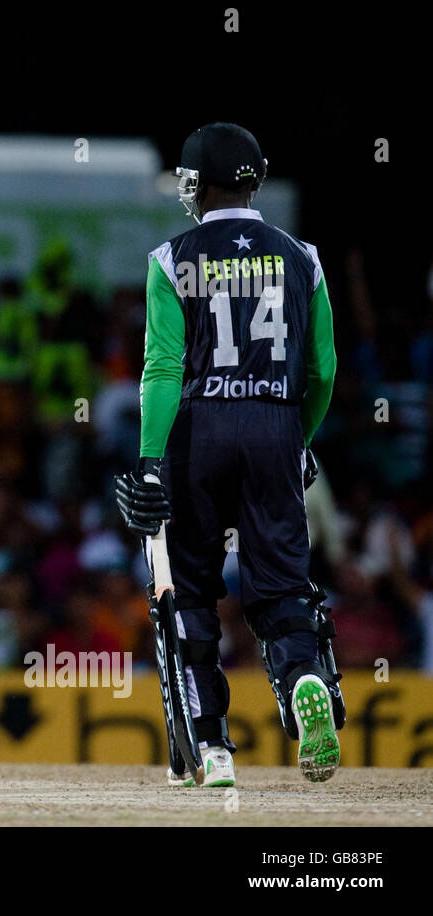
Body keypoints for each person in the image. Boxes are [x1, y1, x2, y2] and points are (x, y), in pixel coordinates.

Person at [114, 122, 341, 786]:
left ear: (196, 184)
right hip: (275, 424)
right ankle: (304, 678)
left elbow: (162, 369)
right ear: (257, 178)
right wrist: (297, 437)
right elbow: (323, 370)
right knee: (282, 587)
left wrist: (151, 460)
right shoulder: (304, 257)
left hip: (197, 430)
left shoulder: (170, 258)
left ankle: (212, 747)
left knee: (189, 592)